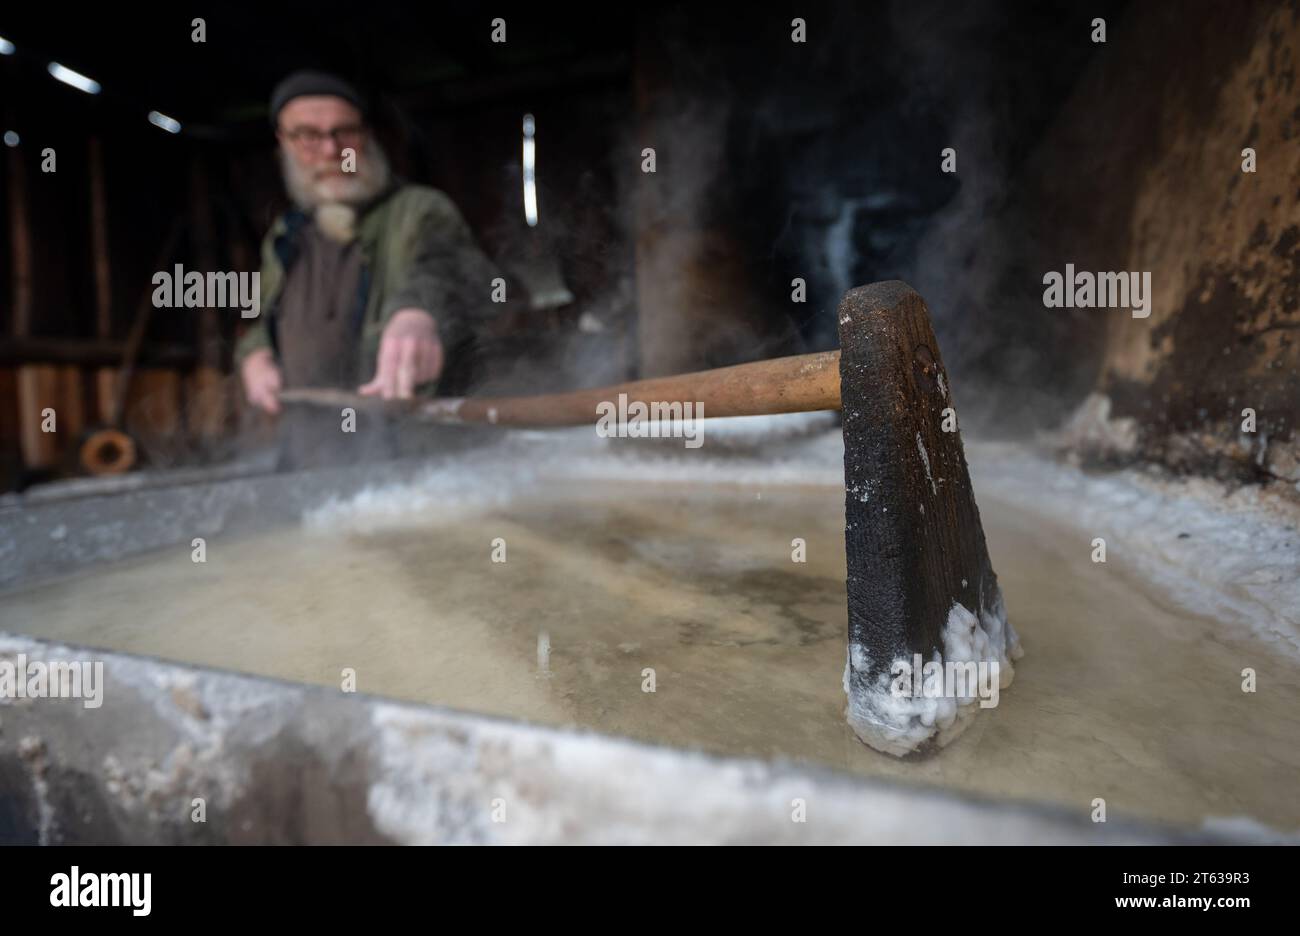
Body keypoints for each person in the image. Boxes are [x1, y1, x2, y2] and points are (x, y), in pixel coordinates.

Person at [237, 69, 502, 415]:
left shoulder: (418, 209)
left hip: (406, 448)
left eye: (344, 131)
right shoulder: (285, 236)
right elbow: (258, 317)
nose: (331, 150)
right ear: (284, 142)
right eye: (308, 135)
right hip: (309, 448)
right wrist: (254, 354)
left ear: (367, 135)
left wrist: (418, 311)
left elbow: (454, 265)